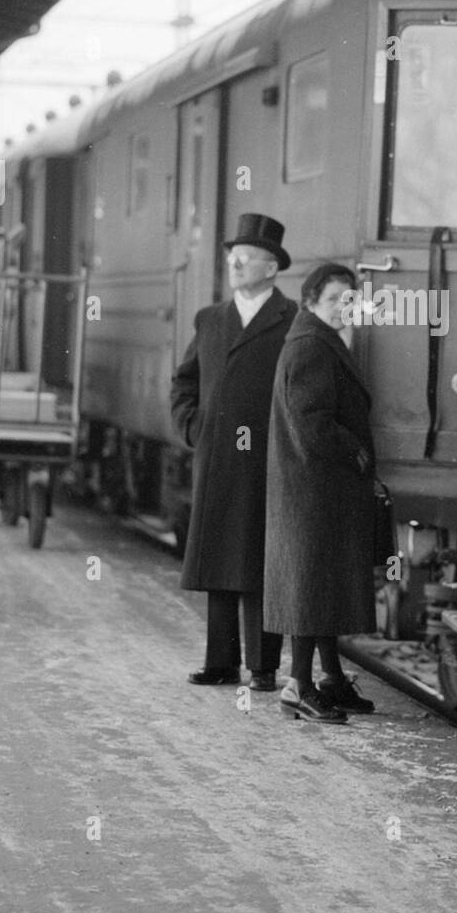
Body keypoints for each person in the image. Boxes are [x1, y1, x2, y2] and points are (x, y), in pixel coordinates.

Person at [170, 214, 294, 690]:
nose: (235, 263)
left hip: (267, 460)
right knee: (219, 559)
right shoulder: (210, 319)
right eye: (232, 256)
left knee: (261, 561)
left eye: (247, 257)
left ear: (271, 268)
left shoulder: (291, 319)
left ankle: (263, 668)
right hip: (217, 456)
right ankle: (220, 663)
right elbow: (183, 380)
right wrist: (192, 426)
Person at [263, 263, 379, 723]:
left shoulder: (316, 338)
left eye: (350, 300)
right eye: (335, 299)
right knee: (309, 591)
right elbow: (311, 423)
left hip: (315, 488)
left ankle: (329, 679)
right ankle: (299, 686)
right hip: (312, 490)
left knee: (321, 588)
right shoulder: (312, 345)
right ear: (311, 300)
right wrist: (357, 453)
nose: (343, 308)